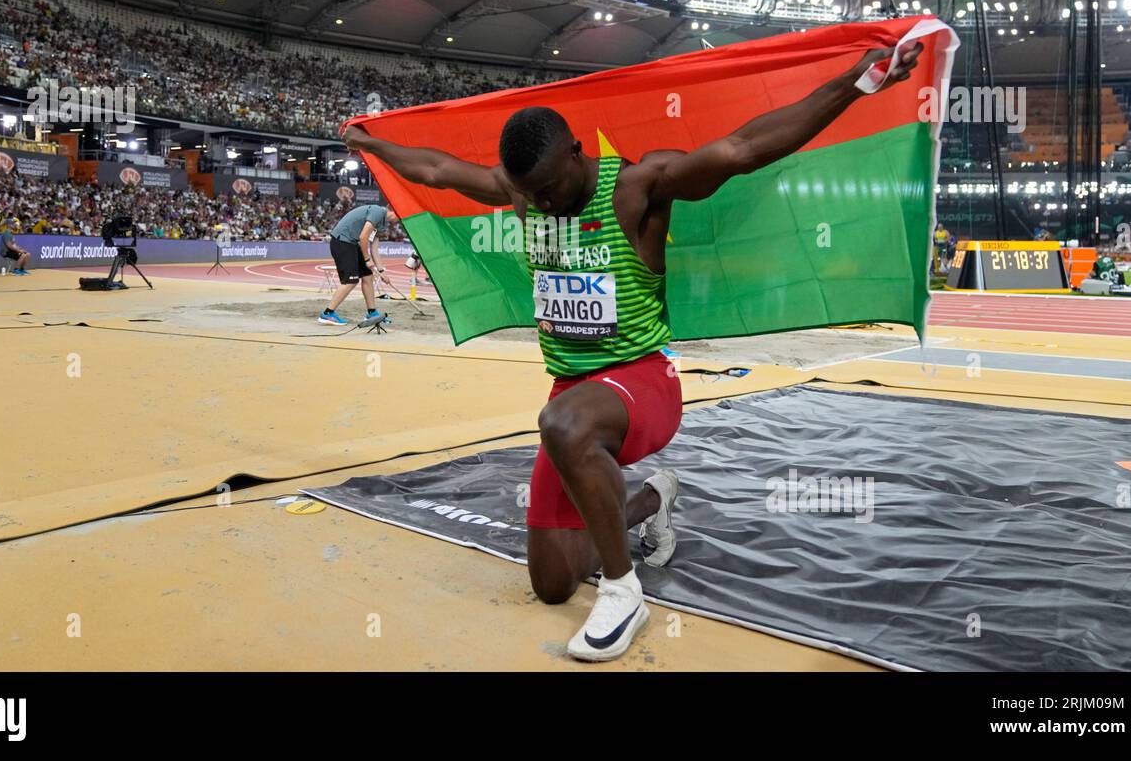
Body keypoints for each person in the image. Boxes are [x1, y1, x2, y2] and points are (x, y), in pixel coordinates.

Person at [344, 39, 923, 661]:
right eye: (530, 193)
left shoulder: (637, 188)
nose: (541, 203)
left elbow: (743, 149)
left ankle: (624, 593)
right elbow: (435, 170)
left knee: (560, 424)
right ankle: (651, 500)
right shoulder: (522, 190)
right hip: (574, 392)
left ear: (576, 151)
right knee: (552, 583)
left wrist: (856, 83)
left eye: (549, 188)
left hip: (643, 382)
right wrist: (371, 144)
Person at [318, 203, 399, 325]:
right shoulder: (378, 212)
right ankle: (327, 313)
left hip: (352, 243)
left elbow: (374, 249)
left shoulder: (382, 223)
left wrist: (381, 271)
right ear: (395, 212)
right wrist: (366, 259)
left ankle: (372, 313)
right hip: (342, 242)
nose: (400, 221)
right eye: (400, 217)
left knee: (368, 276)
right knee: (351, 280)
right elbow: (363, 236)